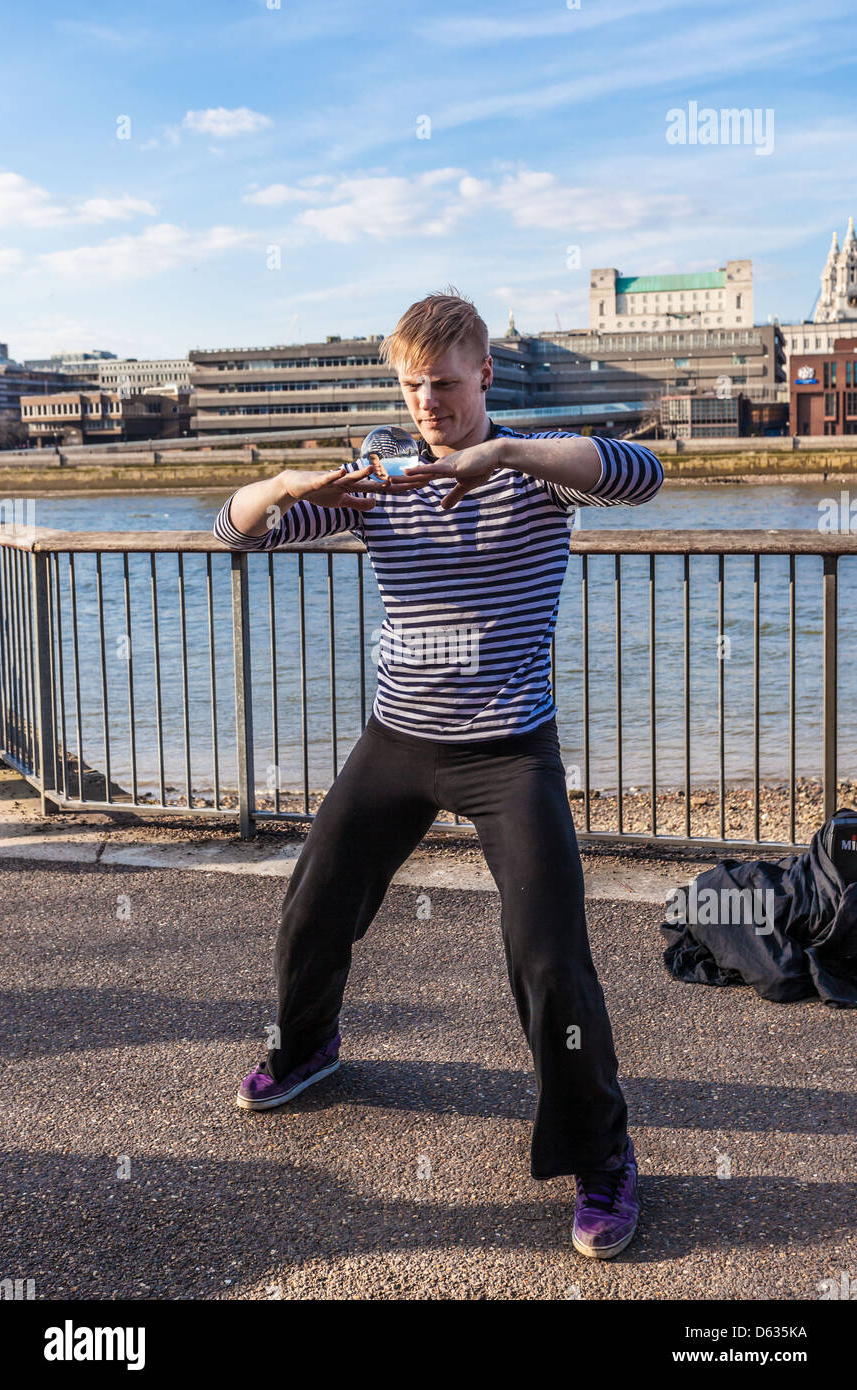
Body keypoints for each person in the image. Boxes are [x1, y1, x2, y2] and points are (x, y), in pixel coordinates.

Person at [213, 288, 664, 1259]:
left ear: (484, 376)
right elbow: (234, 530)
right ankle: (304, 1049)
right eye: (413, 385)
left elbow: (643, 472)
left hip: (507, 749)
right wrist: (293, 483)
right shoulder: (377, 483)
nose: (429, 402)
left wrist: (501, 453)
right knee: (313, 905)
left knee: (548, 955)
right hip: (397, 740)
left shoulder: (536, 476)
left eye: (446, 384)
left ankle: (601, 1156)